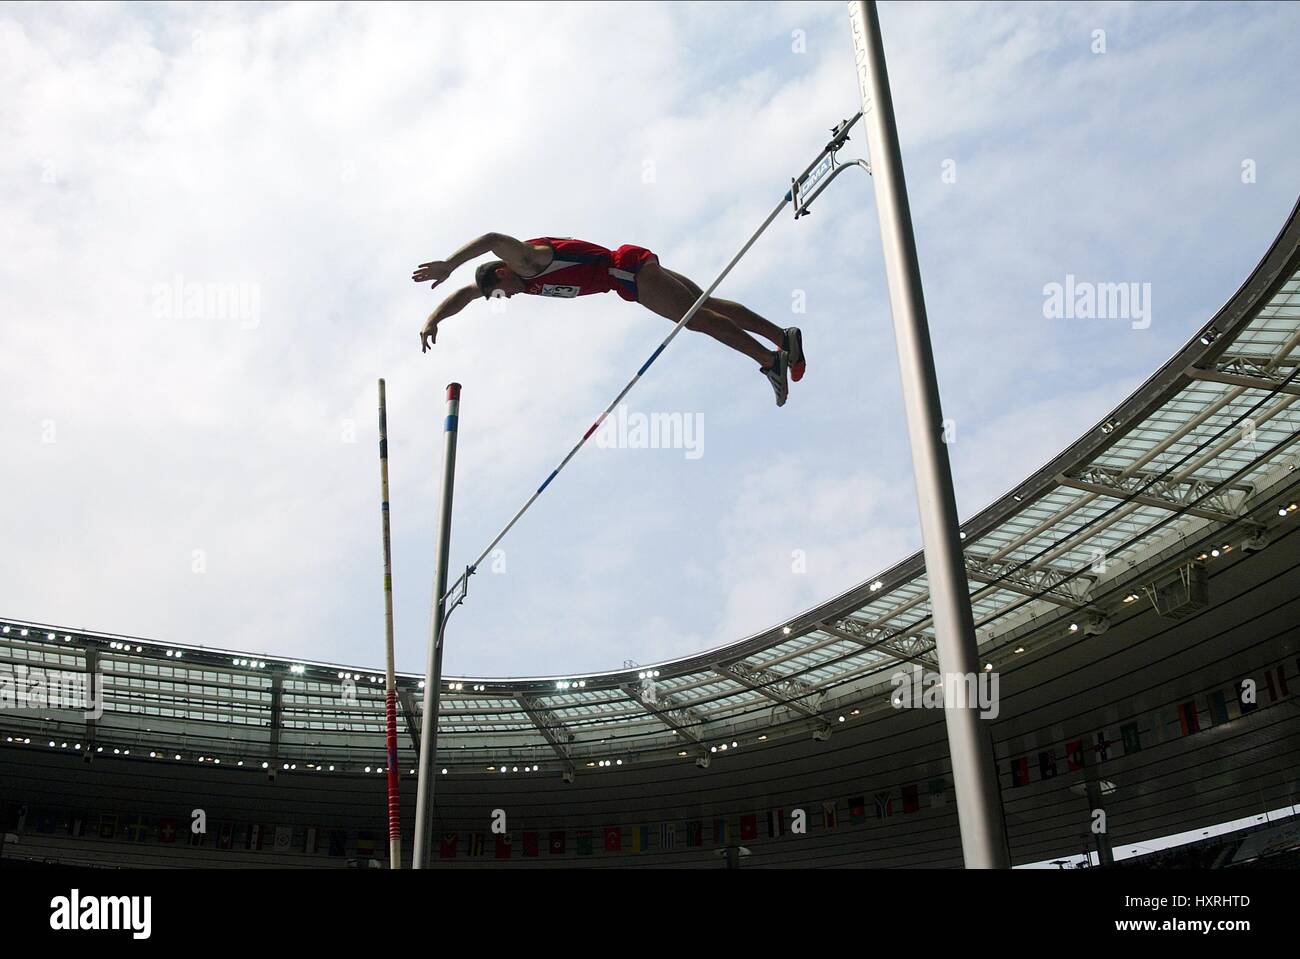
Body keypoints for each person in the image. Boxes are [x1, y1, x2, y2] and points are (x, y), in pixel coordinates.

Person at [413, 233, 805, 406]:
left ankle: (770, 360)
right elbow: (466, 293)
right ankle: (783, 337)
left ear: (502, 272)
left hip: (627, 272)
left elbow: (491, 237)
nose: (509, 298)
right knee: (706, 304)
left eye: (504, 292)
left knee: (696, 318)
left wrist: (449, 263)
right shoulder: (518, 282)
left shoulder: (525, 260)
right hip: (630, 271)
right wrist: (435, 318)